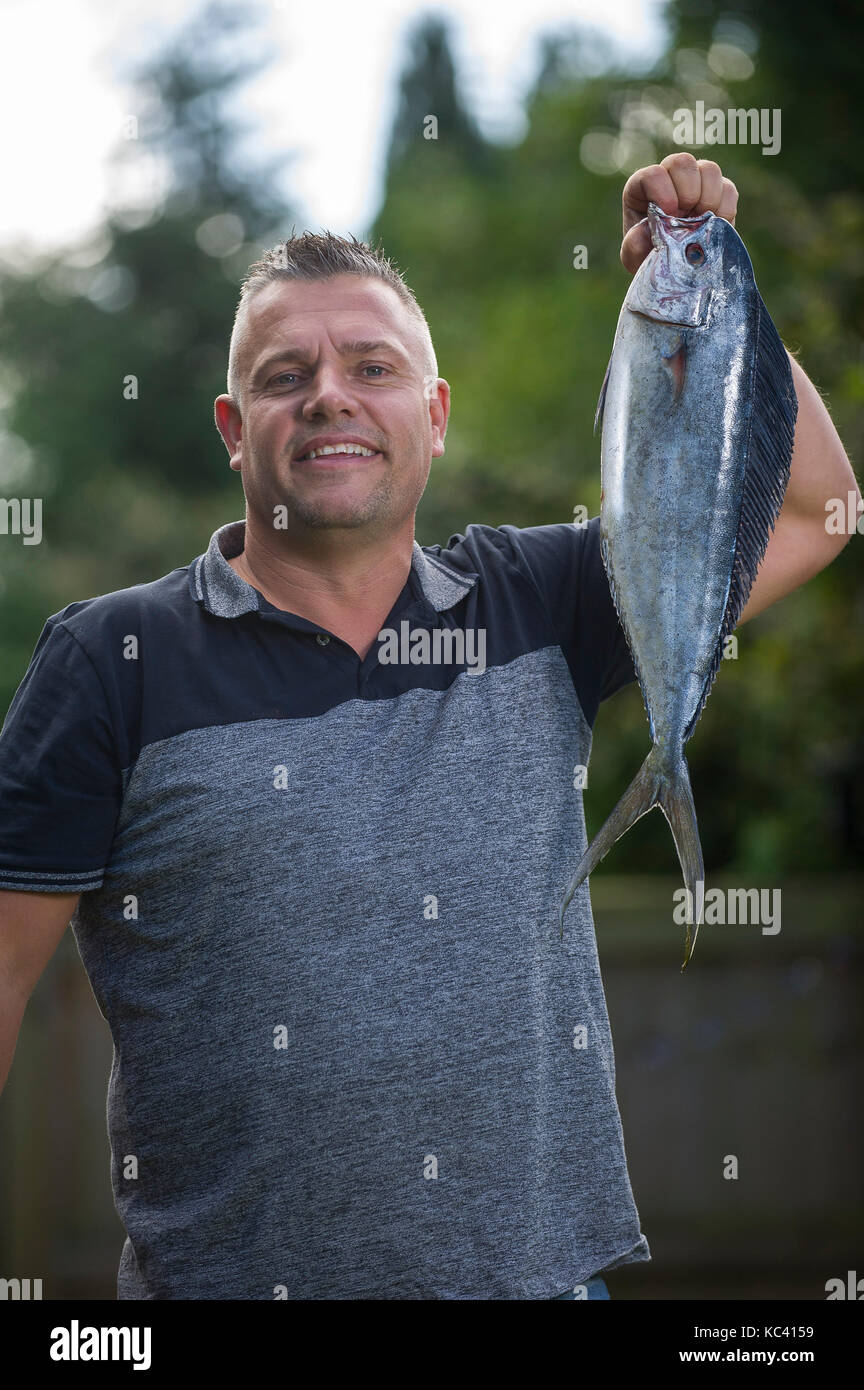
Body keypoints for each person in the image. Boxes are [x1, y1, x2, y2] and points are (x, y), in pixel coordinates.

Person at [0, 154, 856, 1300]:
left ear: (436, 414)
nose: (330, 396)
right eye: (283, 374)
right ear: (230, 426)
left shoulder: (544, 600)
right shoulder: (110, 662)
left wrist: (712, 284)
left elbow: (816, 509)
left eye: (373, 366)